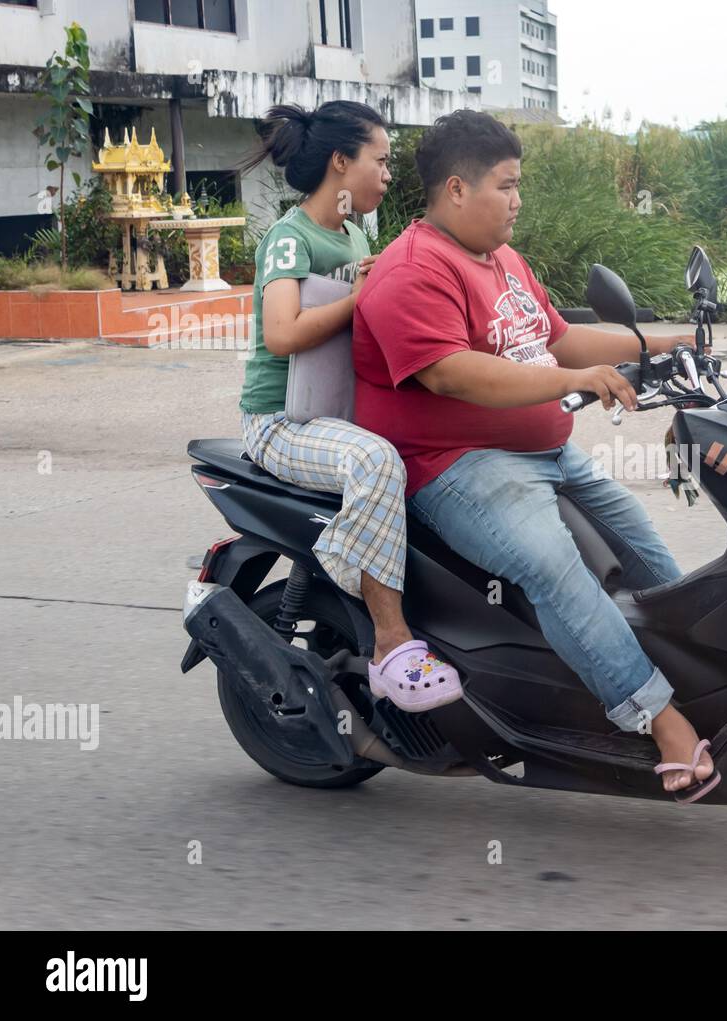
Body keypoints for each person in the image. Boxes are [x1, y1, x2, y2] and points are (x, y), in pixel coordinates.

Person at [352, 110, 720, 802]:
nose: (518, 200)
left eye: (520, 185)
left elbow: (558, 341)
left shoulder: (504, 260)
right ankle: (655, 717)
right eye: (507, 185)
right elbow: (453, 373)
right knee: (552, 564)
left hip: (548, 454)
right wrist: (571, 383)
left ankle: (704, 679)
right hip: (457, 465)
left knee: (648, 558)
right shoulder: (411, 269)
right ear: (457, 189)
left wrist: (661, 345)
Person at [238, 101, 461, 712]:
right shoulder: (289, 239)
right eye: (380, 161)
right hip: (281, 422)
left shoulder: (355, 233)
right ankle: (392, 645)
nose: (388, 174)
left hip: (335, 410)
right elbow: (282, 334)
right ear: (341, 161)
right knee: (378, 462)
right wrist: (359, 297)